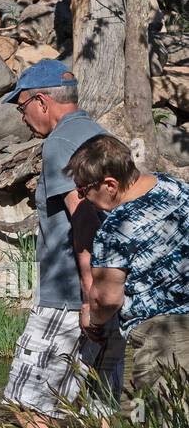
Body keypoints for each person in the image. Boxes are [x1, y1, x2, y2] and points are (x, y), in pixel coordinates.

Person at [0, 61, 123, 428]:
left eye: (22, 107)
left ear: (42, 101)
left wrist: (89, 296)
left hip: (69, 301)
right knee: (99, 410)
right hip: (111, 297)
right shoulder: (104, 137)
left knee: (30, 407)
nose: (22, 116)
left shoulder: (58, 144)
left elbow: (85, 217)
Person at [68, 134, 189, 395]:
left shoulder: (115, 228)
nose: (82, 197)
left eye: (83, 189)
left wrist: (93, 320)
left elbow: (108, 298)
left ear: (110, 185)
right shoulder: (174, 187)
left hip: (165, 340)